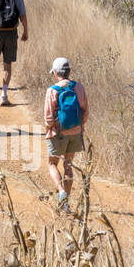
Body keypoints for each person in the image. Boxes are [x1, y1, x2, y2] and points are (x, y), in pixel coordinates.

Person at [43, 57, 88, 212]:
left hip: (58, 134)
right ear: (69, 71)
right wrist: (78, 127)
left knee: (52, 164)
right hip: (75, 132)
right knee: (68, 165)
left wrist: (51, 130)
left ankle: (61, 192)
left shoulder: (52, 91)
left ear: (56, 73)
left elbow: (48, 118)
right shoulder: (79, 87)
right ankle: (65, 204)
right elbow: (85, 112)